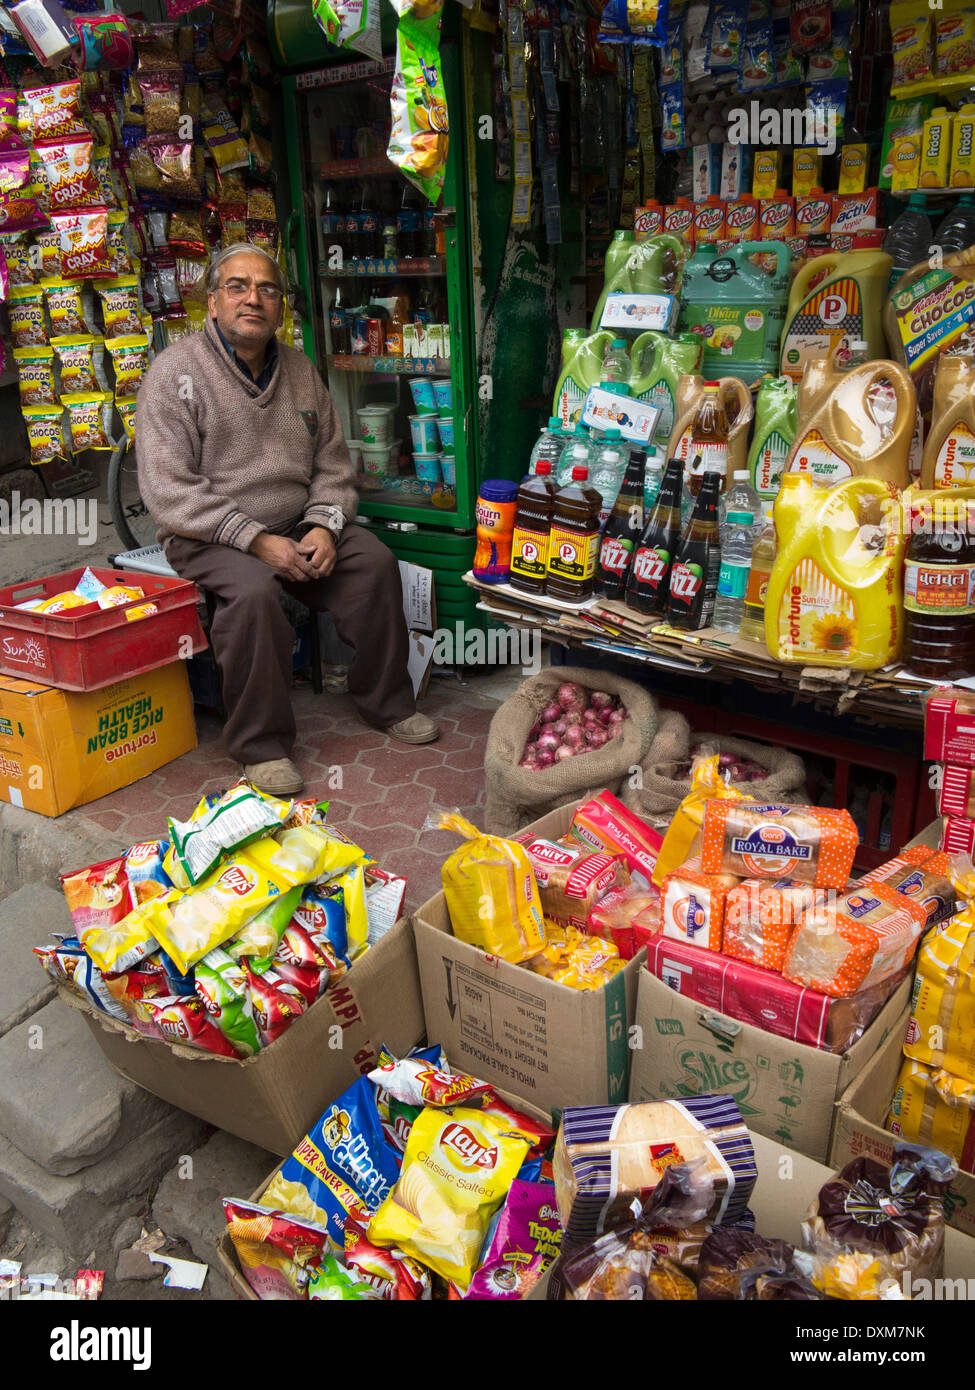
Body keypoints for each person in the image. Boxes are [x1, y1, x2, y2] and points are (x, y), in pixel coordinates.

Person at [136, 243, 438, 796]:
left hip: (297, 520)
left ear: (280, 308)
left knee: (373, 563)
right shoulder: (173, 375)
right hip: (206, 532)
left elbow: (332, 463)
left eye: (267, 289)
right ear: (212, 302)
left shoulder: (299, 371)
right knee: (252, 596)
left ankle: (387, 703)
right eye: (237, 287)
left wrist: (324, 524)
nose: (253, 299)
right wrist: (254, 541)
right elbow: (169, 488)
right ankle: (260, 745)